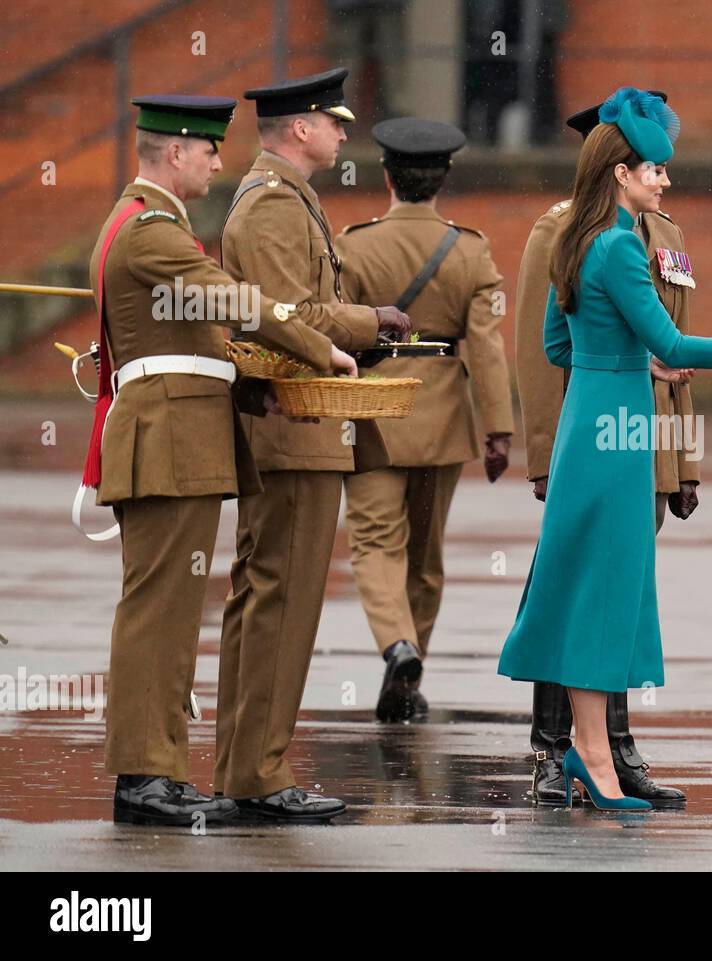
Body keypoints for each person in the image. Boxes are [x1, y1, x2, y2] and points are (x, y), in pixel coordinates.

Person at [498, 87, 712, 810]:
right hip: (620, 432)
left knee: (593, 594)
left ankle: (594, 756)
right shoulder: (616, 245)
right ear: (620, 175)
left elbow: (555, 343)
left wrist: (629, 358)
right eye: (653, 169)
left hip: (591, 417)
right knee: (607, 595)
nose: (664, 179)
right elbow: (668, 338)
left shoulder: (578, 240)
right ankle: (593, 759)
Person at [91, 95, 354, 824]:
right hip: (168, 442)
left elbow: (191, 336)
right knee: (159, 618)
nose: (216, 159)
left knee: (170, 616)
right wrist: (317, 344)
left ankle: (158, 772)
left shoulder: (150, 227)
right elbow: (234, 299)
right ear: (175, 152)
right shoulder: (150, 231)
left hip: (181, 437)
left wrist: (246, 389)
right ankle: (145, 776)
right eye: (206, 149)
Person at [213, 68, 412, 822]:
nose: (342, 133)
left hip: (300, 424)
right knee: (281, 601)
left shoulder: (288, 197)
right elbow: (285, 315)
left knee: (270, 598)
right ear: (300, 127)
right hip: (291, 428)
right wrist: (368, 322)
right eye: (334, 121)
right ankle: (258, 772)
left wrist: (363, 321)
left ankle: (247, 765)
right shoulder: (270, 205)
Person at [515, 90, 700, 808]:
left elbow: (672, 350)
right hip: (586, 441)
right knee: (566, 590)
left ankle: (616, 747)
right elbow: (542, 357)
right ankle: (552, 746)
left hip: (644, 440)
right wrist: (543, 458)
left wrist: (681, 460)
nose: (655, 166)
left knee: (621, 597)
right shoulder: (557, 230)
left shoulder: (667, 231)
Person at [335, 117, 514, 722]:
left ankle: (396, 645)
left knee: (373, 541)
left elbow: (330, 323)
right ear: (442, 180)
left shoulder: (352, 244)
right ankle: (410, 679)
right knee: (426, 557)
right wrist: (498, 429)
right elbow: (486, 346)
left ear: (387, 176)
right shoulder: (471, 249)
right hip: (441, 412)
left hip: (370, 407)